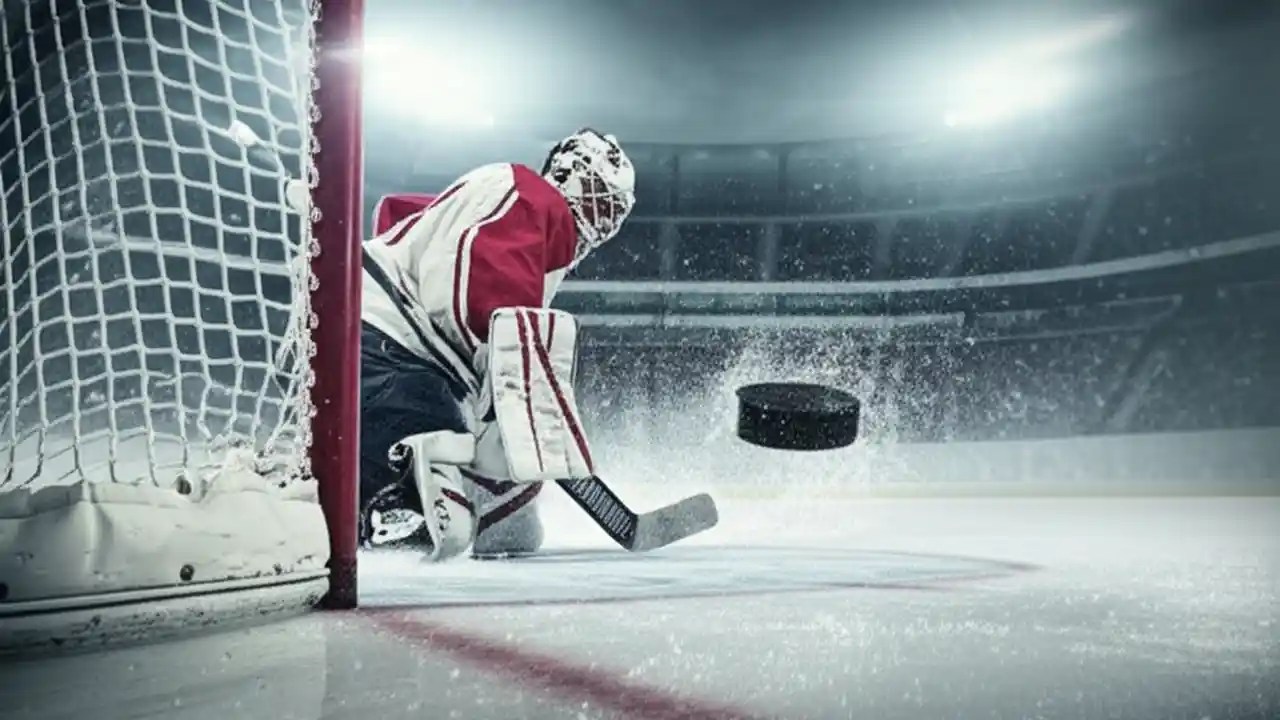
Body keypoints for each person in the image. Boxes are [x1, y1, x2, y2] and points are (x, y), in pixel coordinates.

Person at [358, 129, 636, 560]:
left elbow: (403, 217)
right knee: (434, 445)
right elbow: (497, 309)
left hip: (377, 341)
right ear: (570, 176)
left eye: (614, 213)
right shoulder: (533, 198)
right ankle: (398, 506)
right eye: (601, 200)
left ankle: (378, 508)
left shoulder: (508, 199)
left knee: (389, 470)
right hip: (388, 344)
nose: (603, 223)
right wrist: (514, 410)